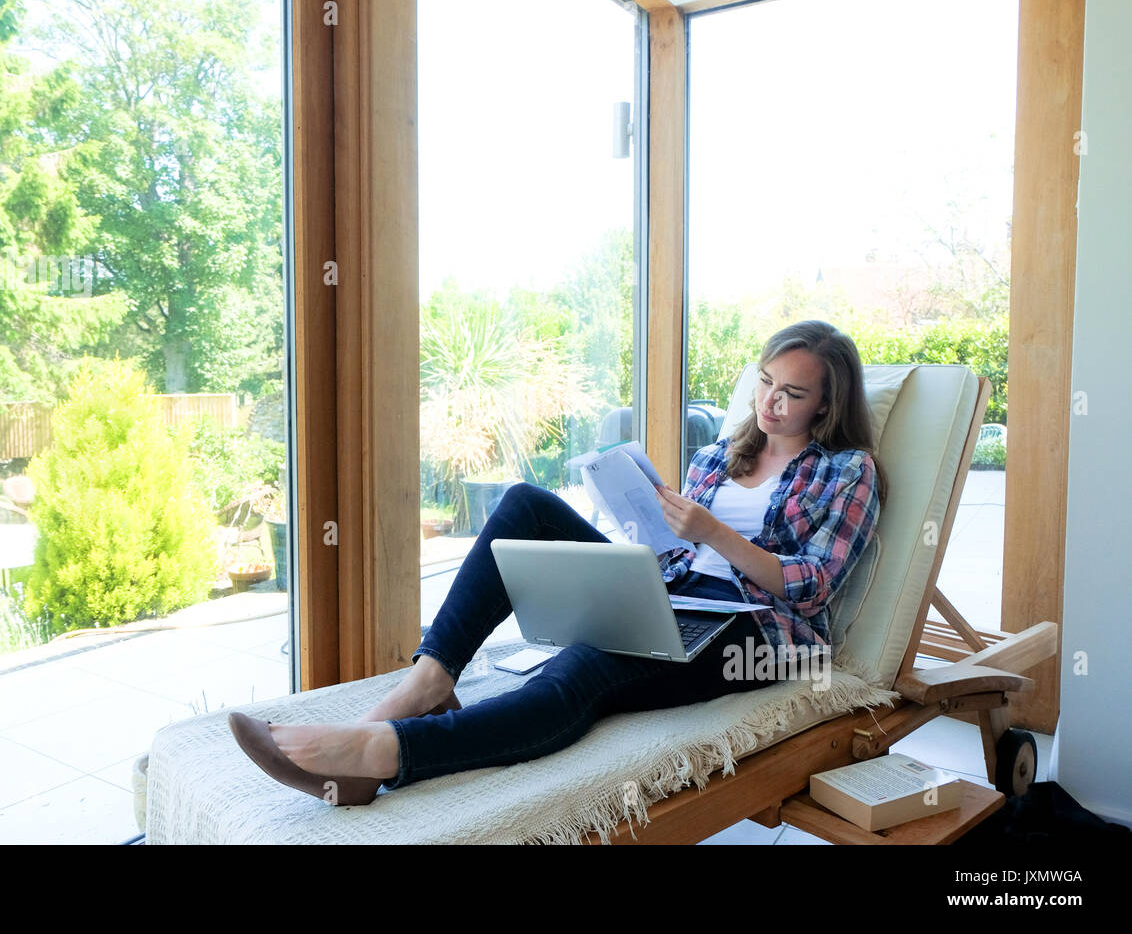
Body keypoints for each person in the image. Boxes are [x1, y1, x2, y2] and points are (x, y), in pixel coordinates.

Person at [228, 319, 887, 806]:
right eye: (766, 382)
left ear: (825, 404)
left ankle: (382, 753)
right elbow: (678, 549)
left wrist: (712, 529)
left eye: (792, 393)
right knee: (525, 504)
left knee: (582, 670)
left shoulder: (847, 471)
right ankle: (427, 684)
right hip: (675, 590)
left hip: (758, 632)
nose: (770, 401)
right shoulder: (721, 455)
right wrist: (648, 533)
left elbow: (811, 586)